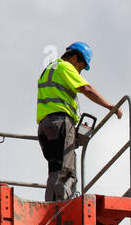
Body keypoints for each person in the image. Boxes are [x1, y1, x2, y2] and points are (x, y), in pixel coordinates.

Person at [36, 41, 122, 201]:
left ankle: (51, 204)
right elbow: (87, 89)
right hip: (61, 122)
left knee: (55, 169)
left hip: (46, 126)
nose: (80, 72)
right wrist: (110, 106)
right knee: (66, 170)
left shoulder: (49, 69)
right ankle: (62, 207)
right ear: (75, 57)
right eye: (81, 67)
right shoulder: (65, 67)